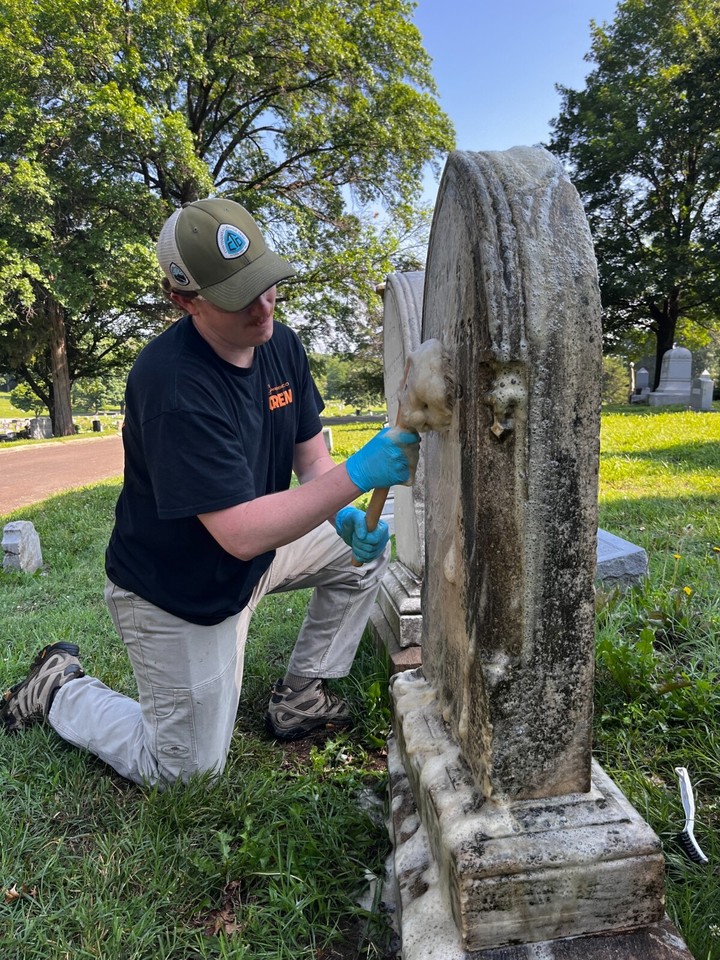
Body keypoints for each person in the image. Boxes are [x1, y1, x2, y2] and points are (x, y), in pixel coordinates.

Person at [0, 197, 419, 788]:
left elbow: (311, 460)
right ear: (184, 300)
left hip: (256, 558)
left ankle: (301, 693)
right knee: (183, 771)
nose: (262, 306)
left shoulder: (281, 345)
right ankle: (60, 690)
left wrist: (344, 513)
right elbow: (240, 534)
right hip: (181, 590)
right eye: (237, 295)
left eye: (267, 285)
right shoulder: (171, 384)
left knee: (362, 556)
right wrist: (360, 474)